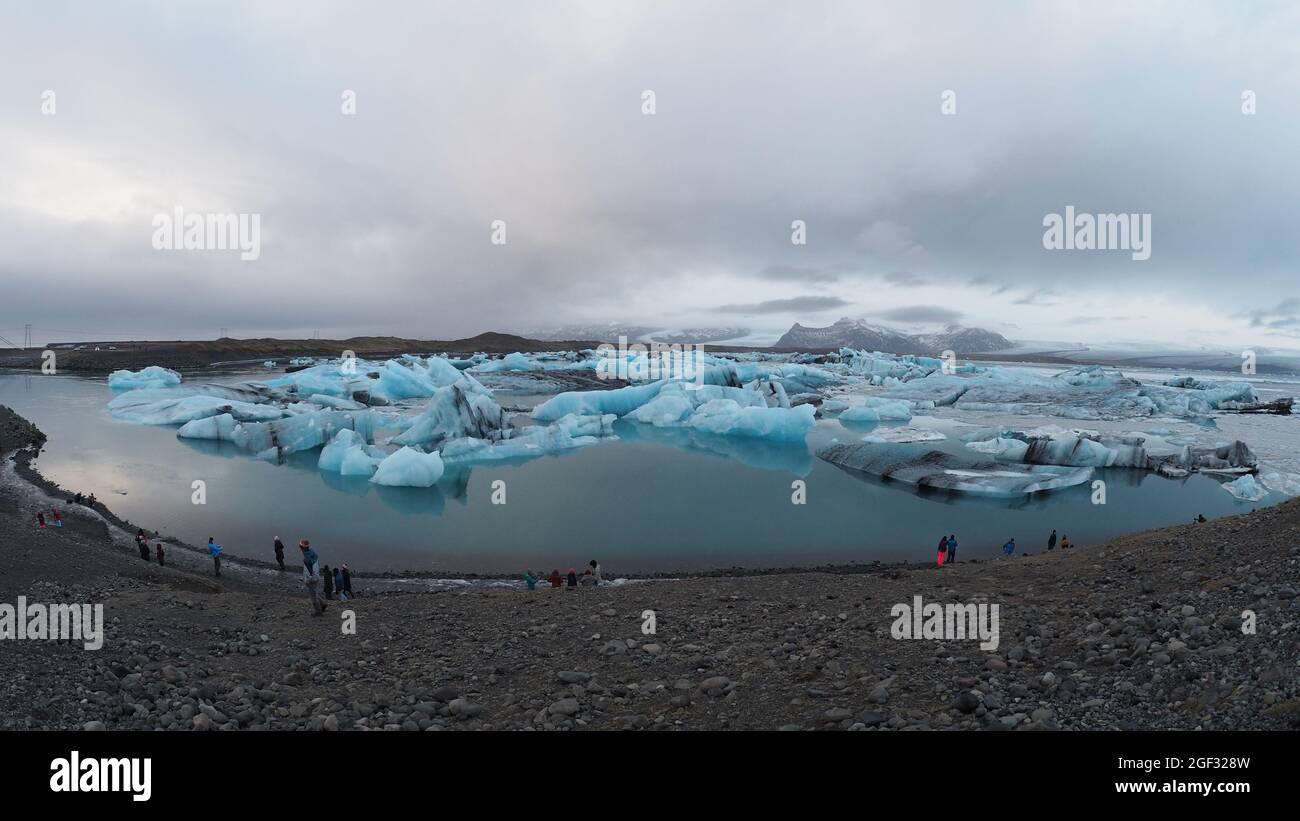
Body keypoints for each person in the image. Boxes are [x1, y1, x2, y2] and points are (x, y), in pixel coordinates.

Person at [300, 540, 325, 616]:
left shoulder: (306, 559)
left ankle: (318, 611)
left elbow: (310, 573)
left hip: (312, 580)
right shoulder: (313, 553)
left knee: (313, 597)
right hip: (317, 577)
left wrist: (307, 581)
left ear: (301, 548)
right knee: (315, 592)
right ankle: (323, 604)